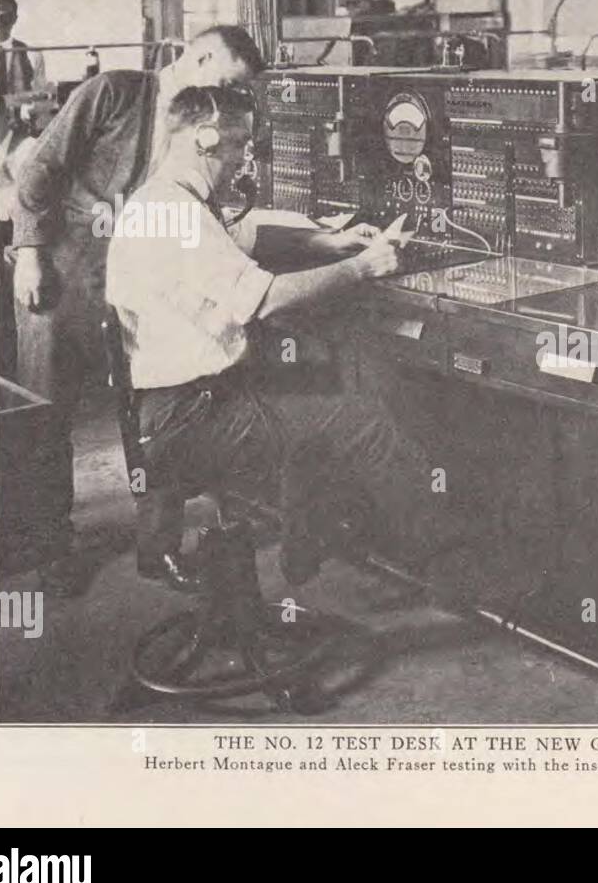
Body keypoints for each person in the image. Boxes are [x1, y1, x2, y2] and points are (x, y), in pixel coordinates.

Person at [105, 86, 463, 588]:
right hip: (190, 417)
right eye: (242, 145)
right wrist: (362, 265)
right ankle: (452, 573)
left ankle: (307, 549)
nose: (245, 160)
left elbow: (247, 235)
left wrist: (325, 241)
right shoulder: (179, 216)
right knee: (363, 421)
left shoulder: (164, 199)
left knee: (321, 384)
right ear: (207, 141)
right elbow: (265, 298)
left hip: (178, 404)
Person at [11, 25, 267, 595]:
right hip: (65, 275)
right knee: (50, 414)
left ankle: (161, 547)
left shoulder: (199, 129)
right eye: (225, 83)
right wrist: (30, 256)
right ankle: (50, 546)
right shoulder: (115, 93)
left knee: (158, 406)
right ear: (197, 56)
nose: (229, 101)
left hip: (140, 287)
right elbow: (37, 172)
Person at [0, 0, 49, 379]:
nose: (2, 24)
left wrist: (28, 107)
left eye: (7, 18)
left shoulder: (30, 54)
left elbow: (44, 104)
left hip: (16, 146)